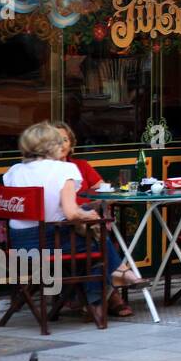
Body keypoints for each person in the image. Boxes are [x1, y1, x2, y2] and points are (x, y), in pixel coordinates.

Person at [2, 122, 117, 325]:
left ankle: (106, 285)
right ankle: (99, 298)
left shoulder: (14, 171)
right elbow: (71, 213)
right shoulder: (64, 169)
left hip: (19, 245)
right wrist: (90, 216)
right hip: (49, 243)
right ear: (53, 145)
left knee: (90, 239)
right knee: (99, 243)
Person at [52, 122, 145, 312]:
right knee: (98, 238)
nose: (61, 144)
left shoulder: (80, 166)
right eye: (55, 140)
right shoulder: (47, 171)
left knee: (96, 232)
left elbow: (103, 191)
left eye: (65, 139)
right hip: (65, 227)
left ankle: (98, 300)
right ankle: (110, 292)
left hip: (86, 221)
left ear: (72, 144)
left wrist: (91, 206)